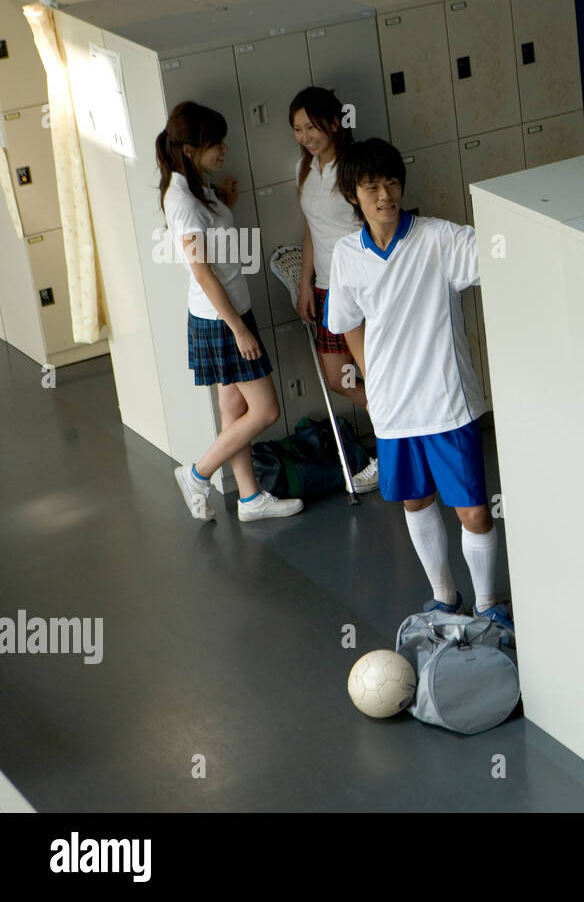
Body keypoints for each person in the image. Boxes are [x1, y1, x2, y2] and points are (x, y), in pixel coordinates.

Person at [325, 138, 509, 629]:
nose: (384, 194)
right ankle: (444, 596)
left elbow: (499, 252)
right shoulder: (346, 254)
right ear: (353, 195)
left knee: (473, 511)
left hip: (448, 403)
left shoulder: (439, 239)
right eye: (371, 186)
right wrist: (374, 380)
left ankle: (489, 604)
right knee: (415, 500)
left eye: (391, 182)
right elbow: (346, 322)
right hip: (393, 411)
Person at [161, 101, 304, 523]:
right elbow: (203, 273)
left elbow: (215, 246)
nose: (224, 149)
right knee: (266, 411)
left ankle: (249, 498)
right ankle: (197, 474)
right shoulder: (182, 199)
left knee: (234, 412)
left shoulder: (197, 184)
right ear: (190, 148)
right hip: (223, 319)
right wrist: (240, 329)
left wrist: (226, 204)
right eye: (214, 143)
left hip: (228, 312)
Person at [288, 87, 378, 492]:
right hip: (326, 288)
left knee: (377, 368)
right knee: (338, 377)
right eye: (297, 128)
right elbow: (313, 228)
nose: (306, 135)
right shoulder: (304, 169)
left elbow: (376, 226)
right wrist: (306, 282)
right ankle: (387, 415)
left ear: (333, 122)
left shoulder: (353, 168)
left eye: (311, 126)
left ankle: (393, 447)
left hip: (361, 286)